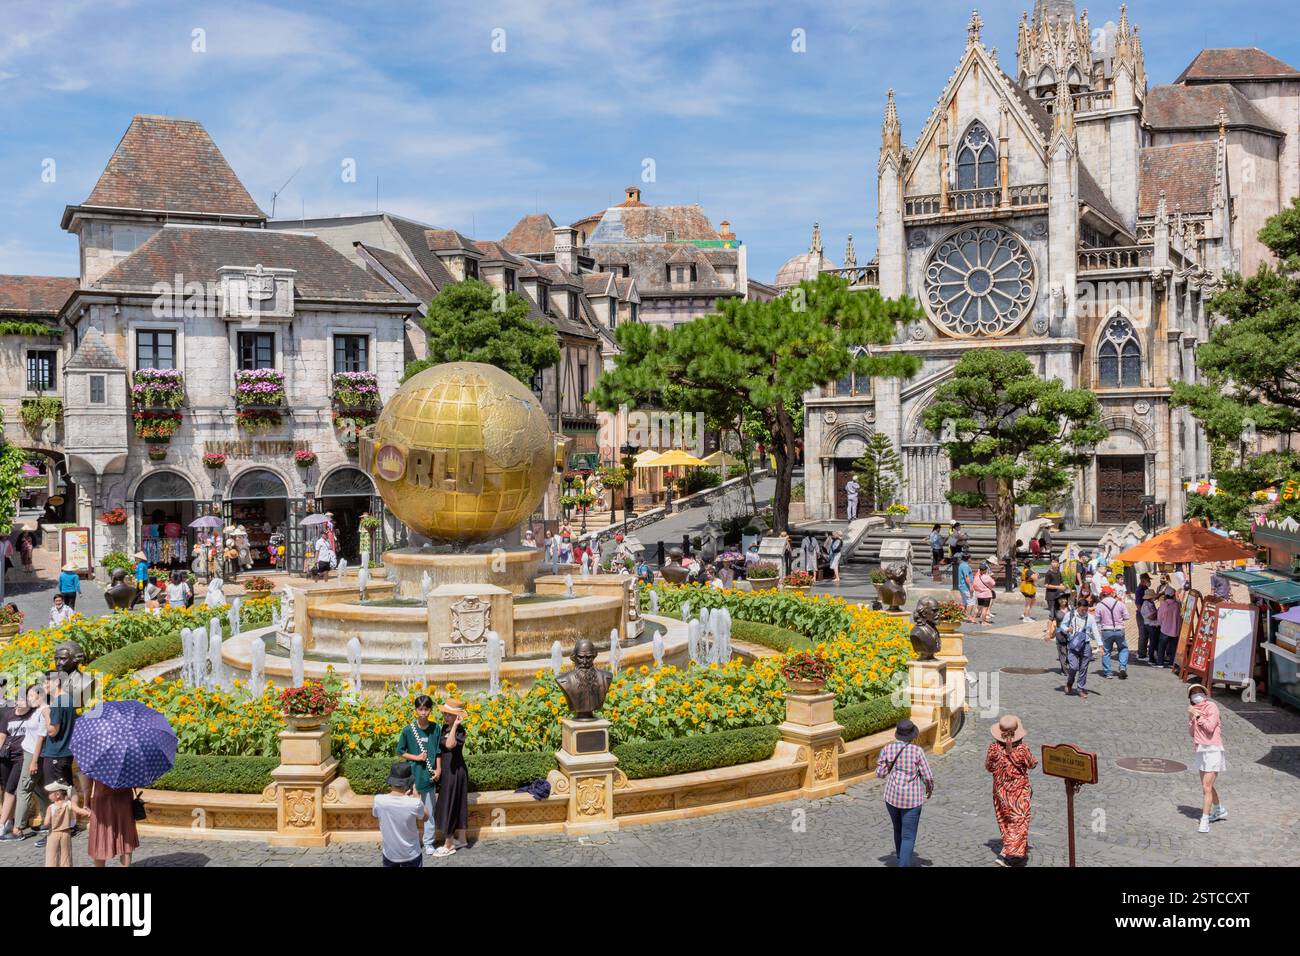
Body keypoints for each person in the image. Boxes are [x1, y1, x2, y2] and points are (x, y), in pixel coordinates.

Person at [875, 718, 933, 867]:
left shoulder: (887, 749)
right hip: (912, 800)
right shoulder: (917, 751)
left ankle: (902, 858)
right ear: (912, 735)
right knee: (908, 836)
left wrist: (888, 766)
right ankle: (903, 863)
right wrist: (929, 789)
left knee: (897, 829)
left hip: (892, 798)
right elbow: (928, 776)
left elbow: (880, 773)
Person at [985, 714, 1038, 866]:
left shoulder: (993, 748)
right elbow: (1032, 764)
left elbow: (988, 767)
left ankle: (1009, 849)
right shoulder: (1022, 749)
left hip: (1000, 791)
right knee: (1019, 821)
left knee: (1006, 821)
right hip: (1018, 792)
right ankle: (1010, 857)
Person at [35, 671, 77, 849]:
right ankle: (70, 823)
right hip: (65, 752)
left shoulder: (59, 702)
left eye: (47, 683)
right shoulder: (67, 699)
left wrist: (45, 713)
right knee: (67, 787)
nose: (44, 686)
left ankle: (58, 828)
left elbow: (52, 730)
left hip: (56, 753)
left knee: (56, 793)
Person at [395, 695, 442, 855]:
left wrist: (439, 769)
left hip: (428, 777)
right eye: (420, 709)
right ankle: (409, 842)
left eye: (426, 709)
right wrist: (417, 757)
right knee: (409, 813)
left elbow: (438, 751)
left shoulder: (436, 728)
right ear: (415, 710)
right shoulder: (408, 730)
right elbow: (400, 751)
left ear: (430, 710)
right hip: (413, 779)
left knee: (429, 812)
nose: (423, 712)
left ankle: (429, 843)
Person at [0, 686, 40, 839]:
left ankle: (2, 824)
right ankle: (9, 821)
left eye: (26, 699)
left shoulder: (32, 715)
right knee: (6, 788)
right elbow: (2, 736)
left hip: (21, 757)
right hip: (6, 756)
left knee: (11, 788)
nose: (23, 701)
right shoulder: (8, 715)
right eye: (20, 698)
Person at [1187, 684, 1227, 834]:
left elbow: (1210, 728)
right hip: (1201, 750)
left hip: (1213, 749)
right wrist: (1192, 718)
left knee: (1206, 787)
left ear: (1205, 693)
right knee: (1207, 786)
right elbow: (1192, 733)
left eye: (1199, 692)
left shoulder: (1212, 707)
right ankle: (1218, 809)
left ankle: (1204, 820)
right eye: (1193, 693)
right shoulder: (1193, 710)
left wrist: (1198, 716)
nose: (1196, 695)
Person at [432, 698, 468, 858]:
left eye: (449, 714)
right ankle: (462, 838)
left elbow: (450, 745)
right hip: (448, 771)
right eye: (445, 714)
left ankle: (449, 844)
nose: (446, 717)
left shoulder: (459, 731)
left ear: (457, 716)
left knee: (451, 804)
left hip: (455, 772)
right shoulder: (443, 728)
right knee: (456, 803)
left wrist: (455, 726)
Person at [372, 761, 426, 867]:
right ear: (409, 782)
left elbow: (375, 815)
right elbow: (425, 817)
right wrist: (417, 798)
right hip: (411, 854)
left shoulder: (378, 800)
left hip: (390, 854)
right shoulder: (414, 803)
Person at [87, 779, 139, 866]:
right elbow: (135, 782)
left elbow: (87, 787)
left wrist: (86, 803)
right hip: (124, 800)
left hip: (102, 802)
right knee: (125, 837)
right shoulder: (128, 765)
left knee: (100, 836)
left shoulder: (94, 765)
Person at [42, 781, 89, 868]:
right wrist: (87, 812)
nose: (48, 795)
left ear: (57, 795)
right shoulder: (68, 804)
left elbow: (46, 823)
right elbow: (78, 810)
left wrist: (46, 823)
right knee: (66, 855)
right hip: (66, 833)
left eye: (50, 793)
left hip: (53, 833)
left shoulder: (50, 807)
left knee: (52, 856)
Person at [1059, 597, 1094, 698]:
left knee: (1084, 668)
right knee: (1073, 667)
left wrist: (1100, 645)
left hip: (1086, 645)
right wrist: (1067, 629)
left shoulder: (1090, 617)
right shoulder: (1070, 615)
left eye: (1086, 610)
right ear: (1077, 607)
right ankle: (1070, 683)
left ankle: (1080, 688)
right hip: (1073, 644)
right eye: (1082, 609)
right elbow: (1062, 626)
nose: (1084, 612)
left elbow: (1095, 630)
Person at [1095, 585, 1130, 680]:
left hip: (1106, 630)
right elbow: (1127, 617)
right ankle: (1122, 667)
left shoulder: (1099, 605)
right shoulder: (1119, 603)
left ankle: (1108, 672)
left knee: (1106, 651)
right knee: (1123, 648)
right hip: (1119, 629)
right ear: (1111, 594)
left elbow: (1097, 620)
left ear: (1103, 594)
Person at [1045, 594, 1073, 676]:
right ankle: (1064, 669)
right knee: (1062, 651)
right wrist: (1048, 632)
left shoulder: (1070, 608)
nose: (1063, 601)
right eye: (1061, 599)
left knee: (1071, 651)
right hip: (1060, 633)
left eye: (1064, 599)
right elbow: (1050, 620)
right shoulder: (1055, 609)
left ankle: (1070, 665)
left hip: (1071, 633)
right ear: (1057, 600)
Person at [1156, 581, 1182, 668]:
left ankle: (1160, 663)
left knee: (1162, 646)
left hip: (1165, 629)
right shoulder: (1178, 605)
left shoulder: (1164, 604)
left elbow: (1160, 616)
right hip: (1175, 630)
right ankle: (1172, 663)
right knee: (1173, 647)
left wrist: (1159, 624)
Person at [1135, 573, 1158, 663]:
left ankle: (1143, 652)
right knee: (1143, 635)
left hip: (1145, 615)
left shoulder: (1145, 589)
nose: (1149, 582)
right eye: (1148, 580)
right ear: (1143, 580)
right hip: (1142, 615)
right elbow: (1138, 604)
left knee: (1145, 635)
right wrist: (1144, 614)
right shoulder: (1140, 590)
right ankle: (1141, 654)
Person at [972, 561, 997, 625]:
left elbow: (974, 585)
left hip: (979, 594)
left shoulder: (977, 577)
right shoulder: (987, 577)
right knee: (985, 608)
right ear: (985, 570)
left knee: (978, 607)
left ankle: (974, 619)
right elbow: (993, 583)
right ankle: (983, 621)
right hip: (986, 594)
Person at [956, 552, 976, 622]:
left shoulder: (961, 565)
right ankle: (968, 616)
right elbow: (966, 576)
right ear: (968, 559)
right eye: (970, 558)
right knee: (971, 602)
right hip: (966, 586)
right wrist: (970, 586)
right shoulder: (966, 566)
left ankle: (964, 615)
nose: (971, 559)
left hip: (961, 586)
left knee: (965, 601)